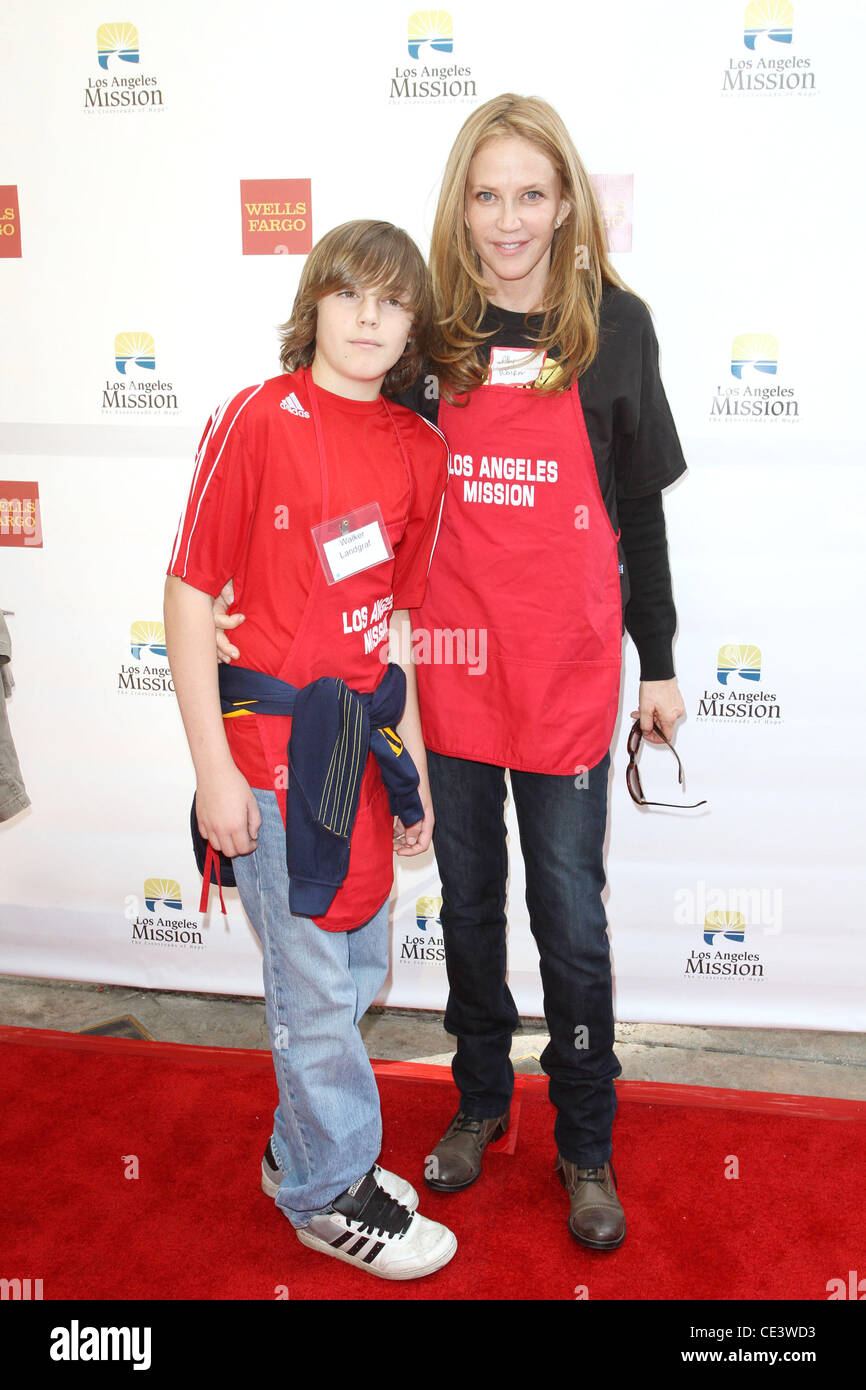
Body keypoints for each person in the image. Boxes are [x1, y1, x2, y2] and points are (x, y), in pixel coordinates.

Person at [397, 94, 689, 1250]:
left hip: (567, 671)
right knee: (468, 905)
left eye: (529, 193)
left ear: (565, 199)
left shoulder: (616, 327)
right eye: (485, 194)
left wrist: (657, 661)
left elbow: (638, 519)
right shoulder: (425, 333)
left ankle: (584, 1137)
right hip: (453, 666)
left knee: (568, 918)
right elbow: (385, 499)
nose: (506, 219)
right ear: (457, 206)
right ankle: (477, 1099)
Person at [164, 219, 456, 1281]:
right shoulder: (255, 417)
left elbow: (400, 627)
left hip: (362, 753)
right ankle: (329, 1195)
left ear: (411, 325)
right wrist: (214, 774)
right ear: (316, 305)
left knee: (362, 963)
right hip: (270, 755)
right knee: (314, 989)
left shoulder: (421, 450)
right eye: (350, 295)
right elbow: (191, 592)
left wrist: (410, 766)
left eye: (391, 302)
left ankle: (301, 1147)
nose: (370, 317)